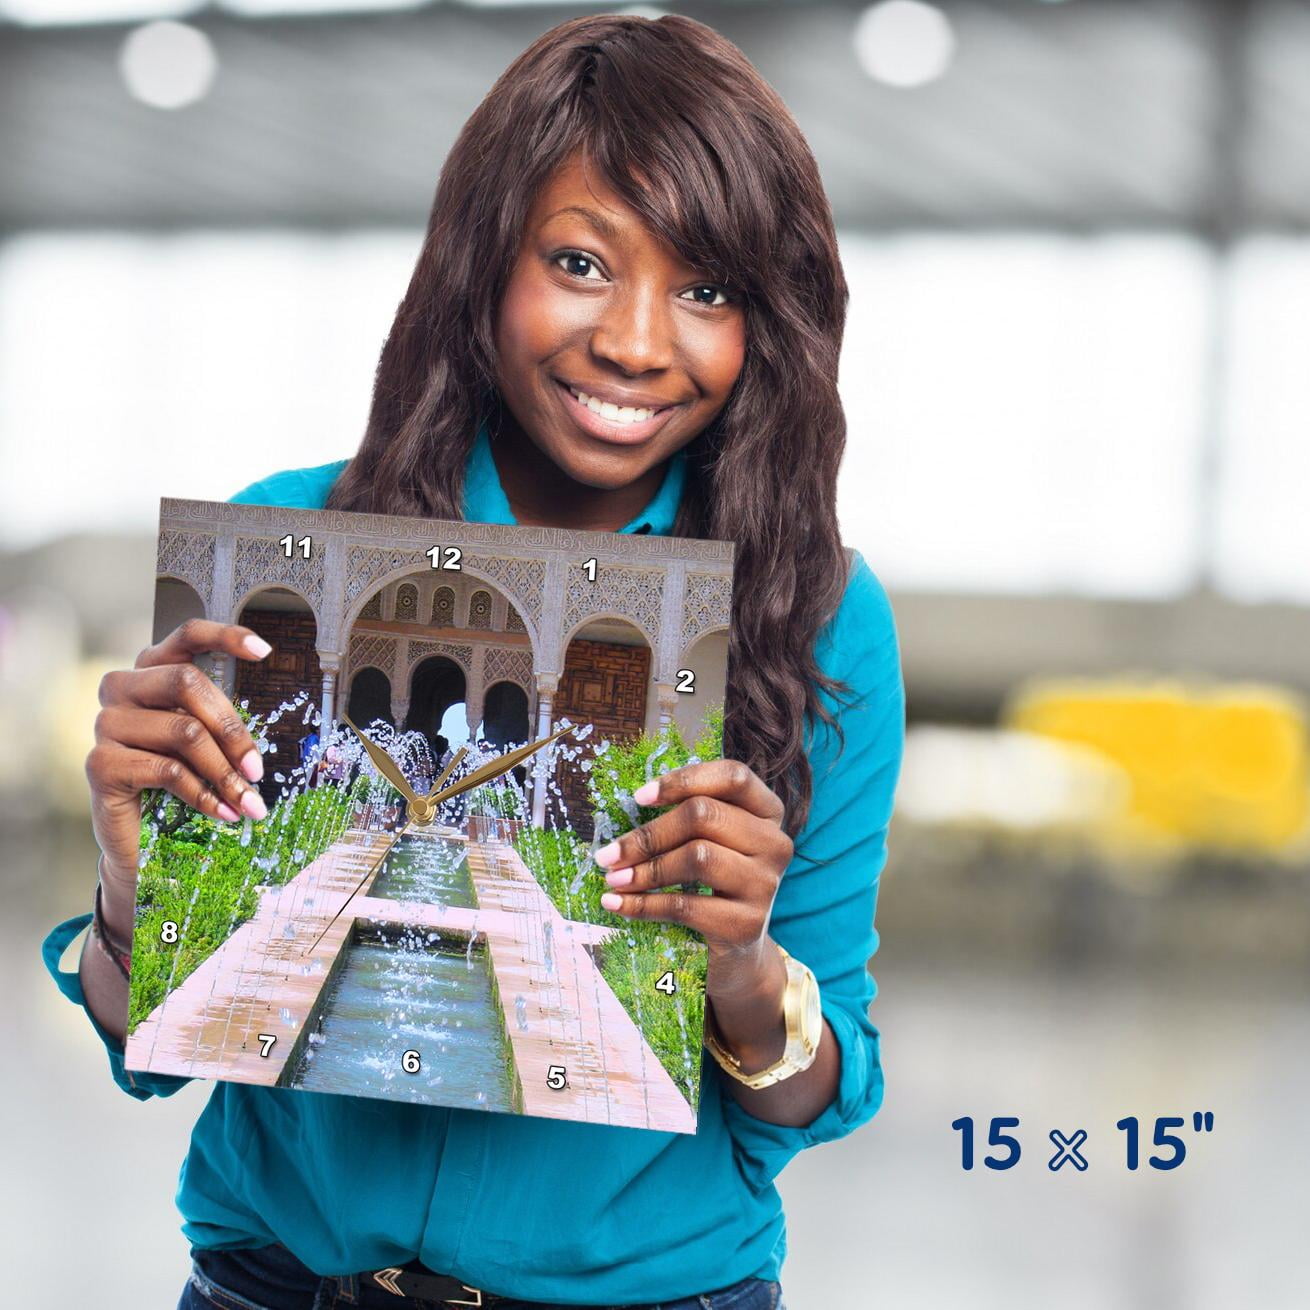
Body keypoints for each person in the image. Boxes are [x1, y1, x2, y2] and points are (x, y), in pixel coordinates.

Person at [46, 14, 904, 1310]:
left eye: (707, 289)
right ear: (478, 264)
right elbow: (154, 1046)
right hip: (280, 1282)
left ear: (767, 322)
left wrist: (740, 964)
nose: (634, 341)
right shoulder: (289, 544)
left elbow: (803, 1102)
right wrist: (134, 878)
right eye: (577, 260)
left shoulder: (819, 613)